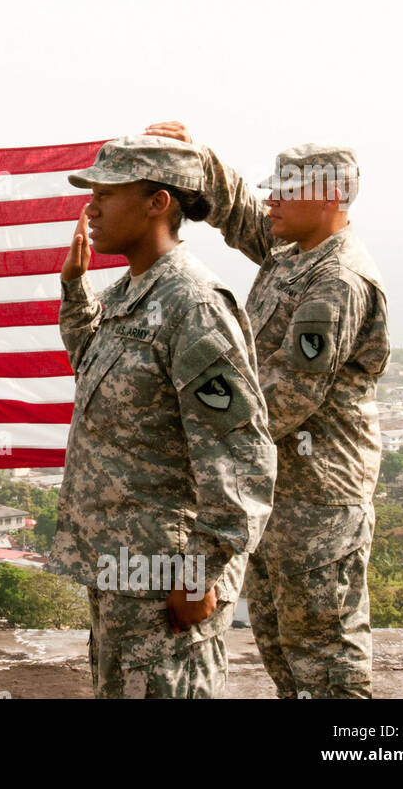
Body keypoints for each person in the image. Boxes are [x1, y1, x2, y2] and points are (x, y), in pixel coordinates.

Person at [146, 123, 389, 698]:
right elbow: (239, 215)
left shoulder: (337, 282)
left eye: (286, 190)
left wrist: (194, 442)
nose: (272, 199)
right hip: (279, 492)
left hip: (319, 499)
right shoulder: (294, 252)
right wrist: (197, 157)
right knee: (281, 647)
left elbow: (283, 399)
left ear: (329, 197)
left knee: (326, 658)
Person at [48, 135, 276, 699]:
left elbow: (243, 452)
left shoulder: (192, 304)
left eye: (106, 193)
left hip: (166, 578)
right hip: (121, 570)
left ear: (159, 202)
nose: (91, 208)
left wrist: (199, 572)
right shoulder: (133, 292)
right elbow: (96, 372)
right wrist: (74, 289)